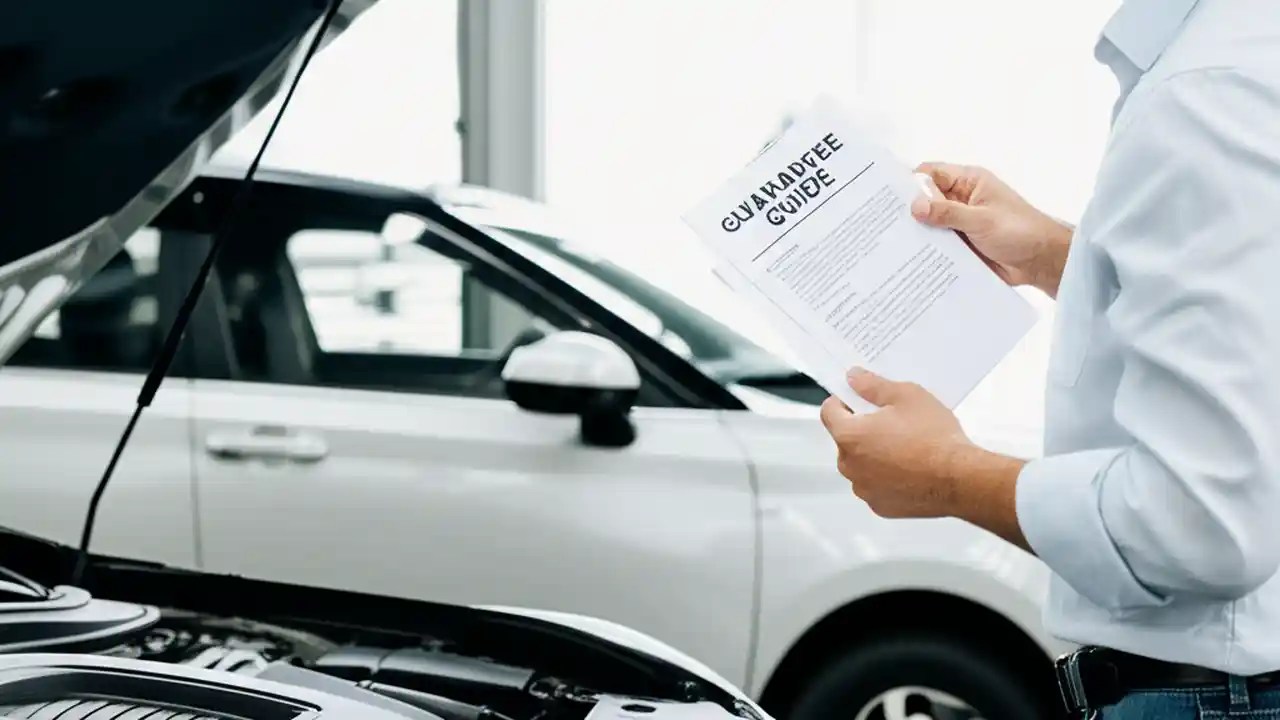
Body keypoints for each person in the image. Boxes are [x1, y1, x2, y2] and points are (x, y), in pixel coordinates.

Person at [818, 0, 1280, 717]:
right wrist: (1058, 255)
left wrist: (944, 476)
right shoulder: (1246, 54)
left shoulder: (1204, 91)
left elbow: (1203, 520)